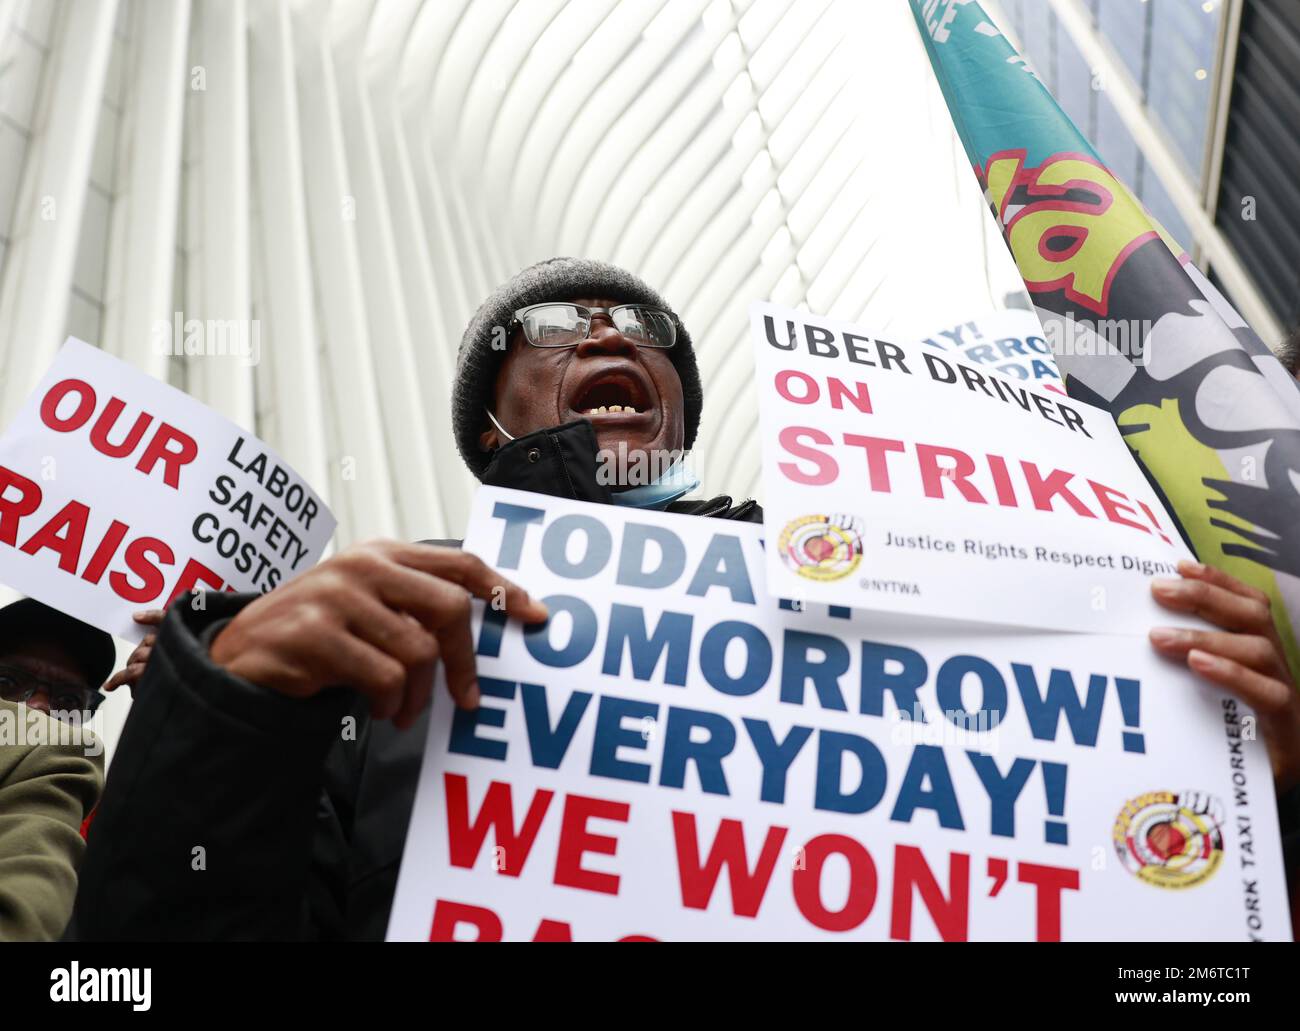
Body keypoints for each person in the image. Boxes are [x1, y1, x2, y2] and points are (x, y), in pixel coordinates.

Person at [70, 258, 1300, 941]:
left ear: (674, 401)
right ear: (489, 421)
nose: (610, 332)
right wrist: (223, 711)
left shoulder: (883, 587)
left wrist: (1255, 785)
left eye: (646, 325)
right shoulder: (379, 636)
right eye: (555, 323)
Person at [0, 598, 110, 939]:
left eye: (68, 702)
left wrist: (174, 707)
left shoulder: (97, 817)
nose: (38, 709)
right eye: (7, 682)